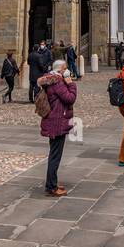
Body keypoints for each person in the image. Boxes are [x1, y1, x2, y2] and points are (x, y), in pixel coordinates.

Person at [38, 60, 77, 196]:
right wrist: (71, 84)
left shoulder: (50, 80)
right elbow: (70, 98)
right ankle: (51, 187)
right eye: (66, 68)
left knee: (54, 154)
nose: (67, 70)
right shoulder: (58, 82)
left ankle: (52, 182)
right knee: (55, 156)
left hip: (53, 120)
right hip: (57, 122)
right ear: (60, 70)